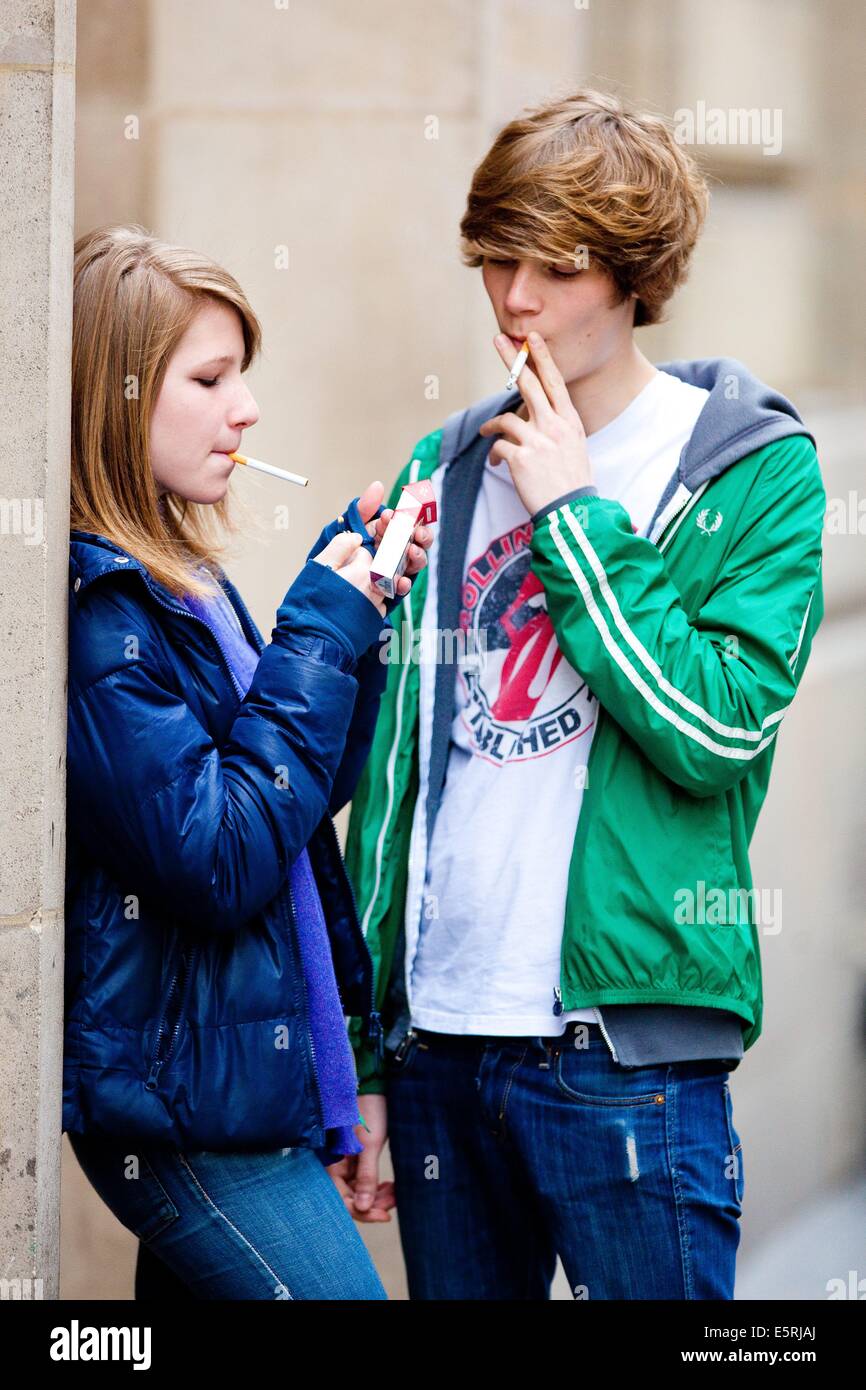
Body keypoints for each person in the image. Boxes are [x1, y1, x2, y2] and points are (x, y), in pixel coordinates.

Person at [333, 90, 826, 1299]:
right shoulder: (442, 464)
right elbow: (394, 777)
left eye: (551, 268)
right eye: (495, 261)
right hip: (444, 1045)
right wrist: (370, 1055)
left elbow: (713, 726)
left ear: (632, 272)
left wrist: (573, 517)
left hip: (621, 1058)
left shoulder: (754, 473)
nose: (512, 300)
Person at [63, 223, 431, 1299]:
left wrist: (351, 619)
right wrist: (320, 628)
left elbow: (294, 804)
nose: (246, 408)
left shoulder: (183, 578)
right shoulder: (99, 611)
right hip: (186, 1107)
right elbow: (218, 855)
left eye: (245, 376)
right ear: (121, 396)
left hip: (238, 1081)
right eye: (211, 378)